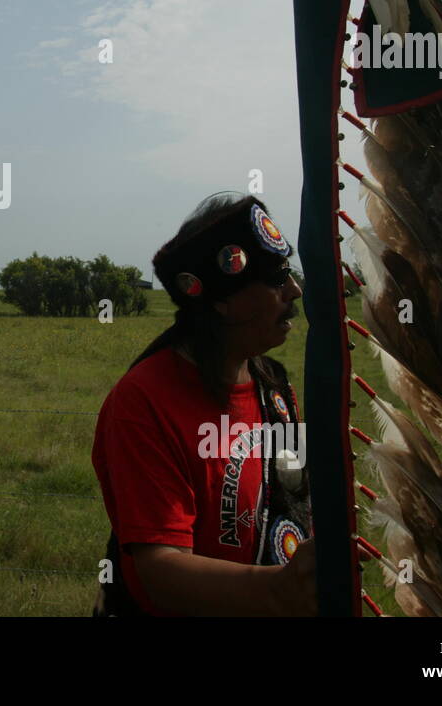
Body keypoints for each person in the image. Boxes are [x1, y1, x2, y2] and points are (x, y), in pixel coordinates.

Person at [92, 192, 316, 616]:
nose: (294, 290)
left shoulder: (274, 385)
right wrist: (280, 590)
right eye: (276, 277)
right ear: (222, 302)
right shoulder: (143, 403)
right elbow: (161, 572)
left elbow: (294, 506)